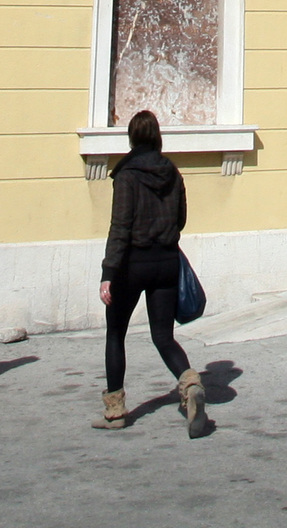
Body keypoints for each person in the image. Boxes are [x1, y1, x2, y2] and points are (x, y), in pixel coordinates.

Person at [93, 110, 201, 435]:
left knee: (116, 334)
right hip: (166, 262)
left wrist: (108, 272)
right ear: (157, 137)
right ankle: (190, 384)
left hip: (132, 264)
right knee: (163, 336)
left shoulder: (126, 175)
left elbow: (120, 226)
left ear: (131, 138)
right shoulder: (172, 172)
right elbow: (181, 219)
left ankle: (115, 411)